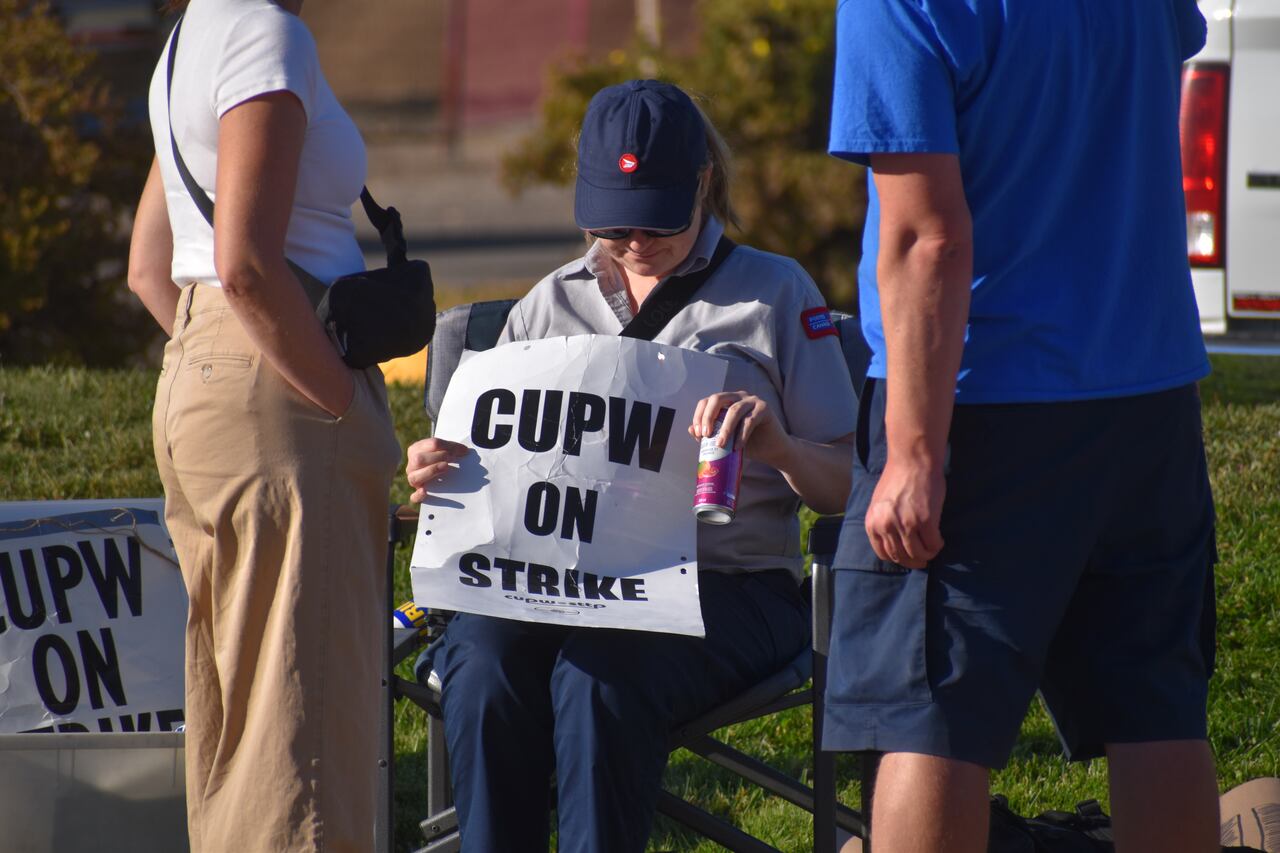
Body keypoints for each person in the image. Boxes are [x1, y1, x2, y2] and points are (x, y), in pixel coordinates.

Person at [404, 79, 857, 851]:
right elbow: (498, 483)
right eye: (613, 223)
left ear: (704, 184)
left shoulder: (774, 293)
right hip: (551, 588)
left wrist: (777, 447)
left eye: (655, 220)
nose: (636, 242)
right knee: (480, 663)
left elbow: (851, 482)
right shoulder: (545, 307)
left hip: (728, 585)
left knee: (598, 675)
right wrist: (442, 472)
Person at [821, 3, 1219, 853]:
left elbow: (926, 236)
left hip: (985, 400)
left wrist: (915, 452)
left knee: (930, 719)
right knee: (1158, 715)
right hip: (1147, 390)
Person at [126, 0, 400, 850]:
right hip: (280, 383)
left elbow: (149, 267)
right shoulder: (263, 33)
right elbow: (246, 263)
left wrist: (217, 363)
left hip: (210, 374)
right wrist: (344, 406)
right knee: (304, 733)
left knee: (241, 725)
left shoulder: (189, 39)